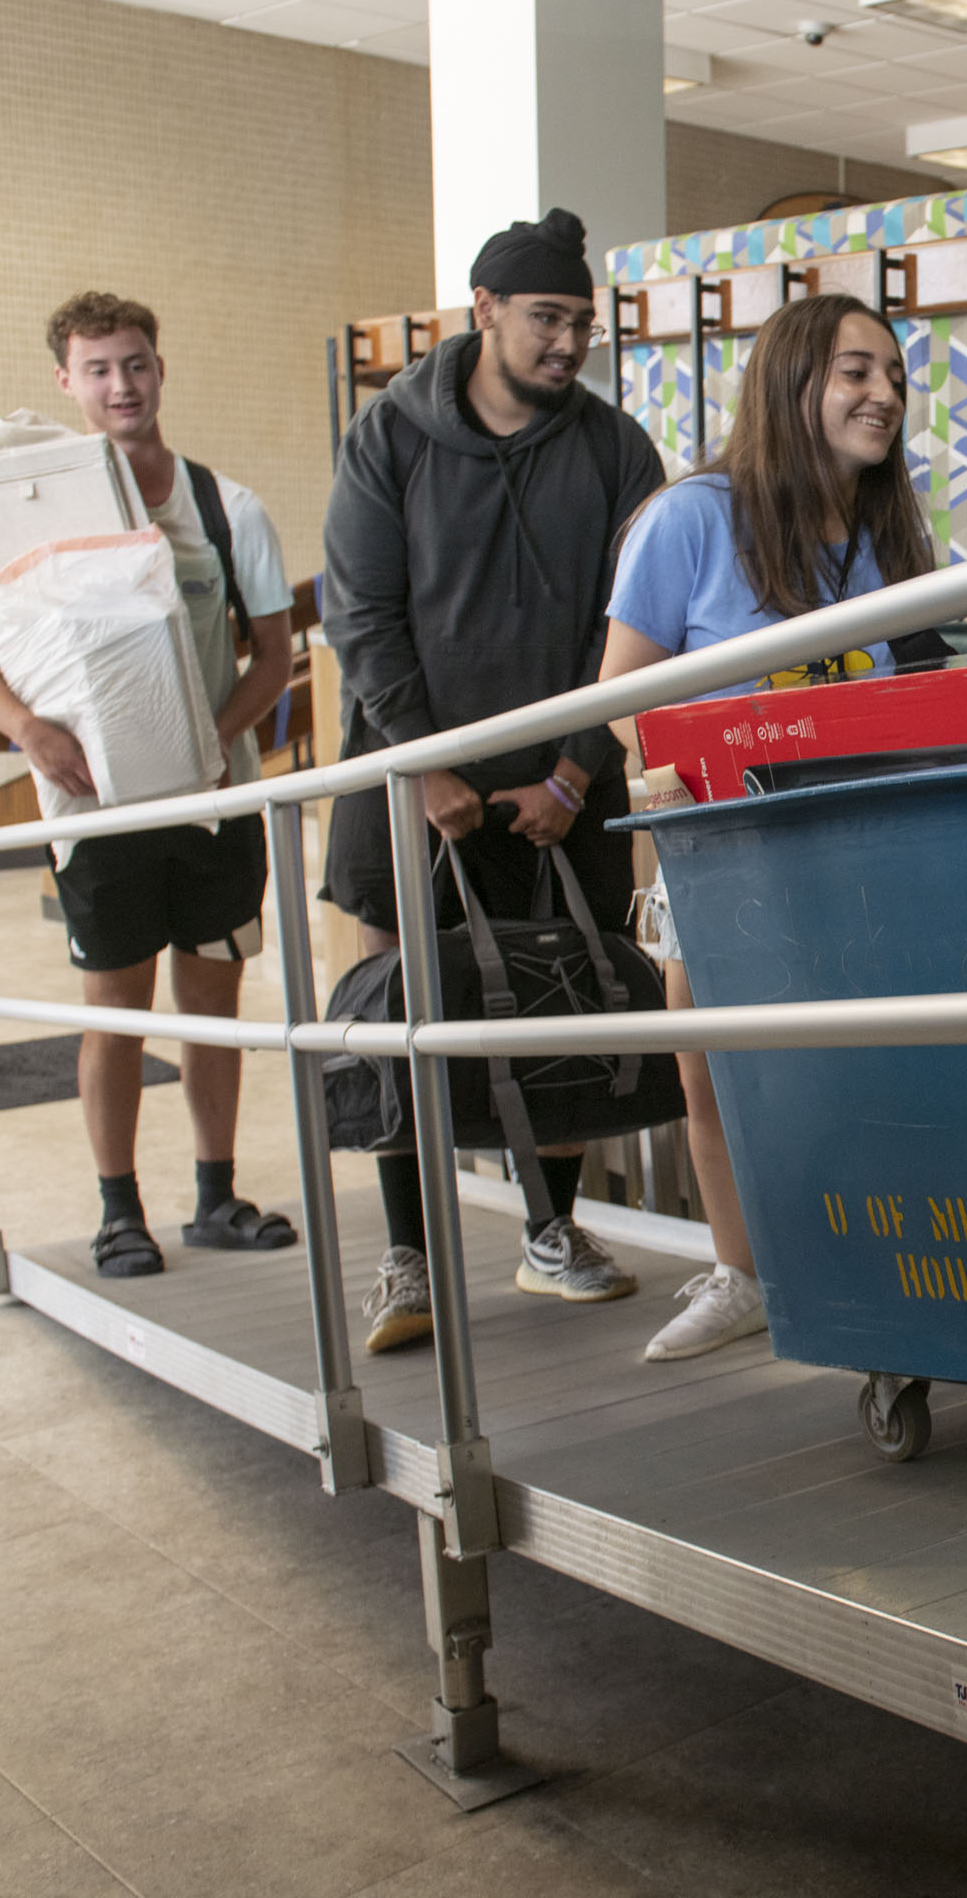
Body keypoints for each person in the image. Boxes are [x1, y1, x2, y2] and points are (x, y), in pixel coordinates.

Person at [321, 209, 665, 1353]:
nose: (569, 343)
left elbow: (639, 623)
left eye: (581, 322)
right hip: (407, 773)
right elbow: (360, 615)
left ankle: (549, 1232)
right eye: (546, 320)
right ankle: (407, 1255)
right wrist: (425, 766)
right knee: (398, 1007)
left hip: (564, 786)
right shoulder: (389, 437)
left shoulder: (617, 449)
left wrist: (575, 769)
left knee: (564, 1000)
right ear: (483, 312)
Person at [599, 292, 934, 1360]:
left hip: (855, 842)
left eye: (892, 373)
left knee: (856, 1066)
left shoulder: (886, 532)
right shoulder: (691, 516)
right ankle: (741, 1271)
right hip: (726, 845)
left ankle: (861, 1258)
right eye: (854, 371)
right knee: (713, 1064)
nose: (883, 393)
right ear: (793, 384)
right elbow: (619, 698)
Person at [0, 293, 299, 1277]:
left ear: (160, 367)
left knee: (208, 1000)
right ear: (66, 382)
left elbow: (272, 657)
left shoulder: (227, 508)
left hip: (213, 800)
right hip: (95, 812)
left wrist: (203, 745)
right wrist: (28, 731)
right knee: (115, 1007)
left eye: (135, 363)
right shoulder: (31, 517)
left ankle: (217, 1194)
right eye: (97, 369)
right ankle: (117, 1210)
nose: (120, 385)